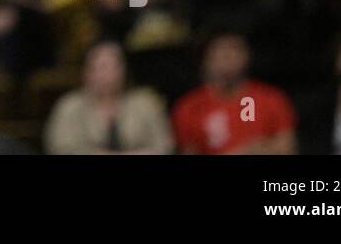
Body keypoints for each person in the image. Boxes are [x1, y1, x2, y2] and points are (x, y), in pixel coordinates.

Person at [171, 30, 297, 154]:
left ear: (247, 55)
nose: (228, 57)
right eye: (220, 52)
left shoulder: (272, 99)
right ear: (206, 59)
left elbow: (287, 148)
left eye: (235, 50)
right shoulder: (189, 108)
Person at [43, 40, 173, 154]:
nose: (106, 75)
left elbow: (164, 145)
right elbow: (61, 148)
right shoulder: (69, 106)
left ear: (124, 71)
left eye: (113, 67)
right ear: (86, 72)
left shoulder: (145, 102)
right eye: (100, 68)